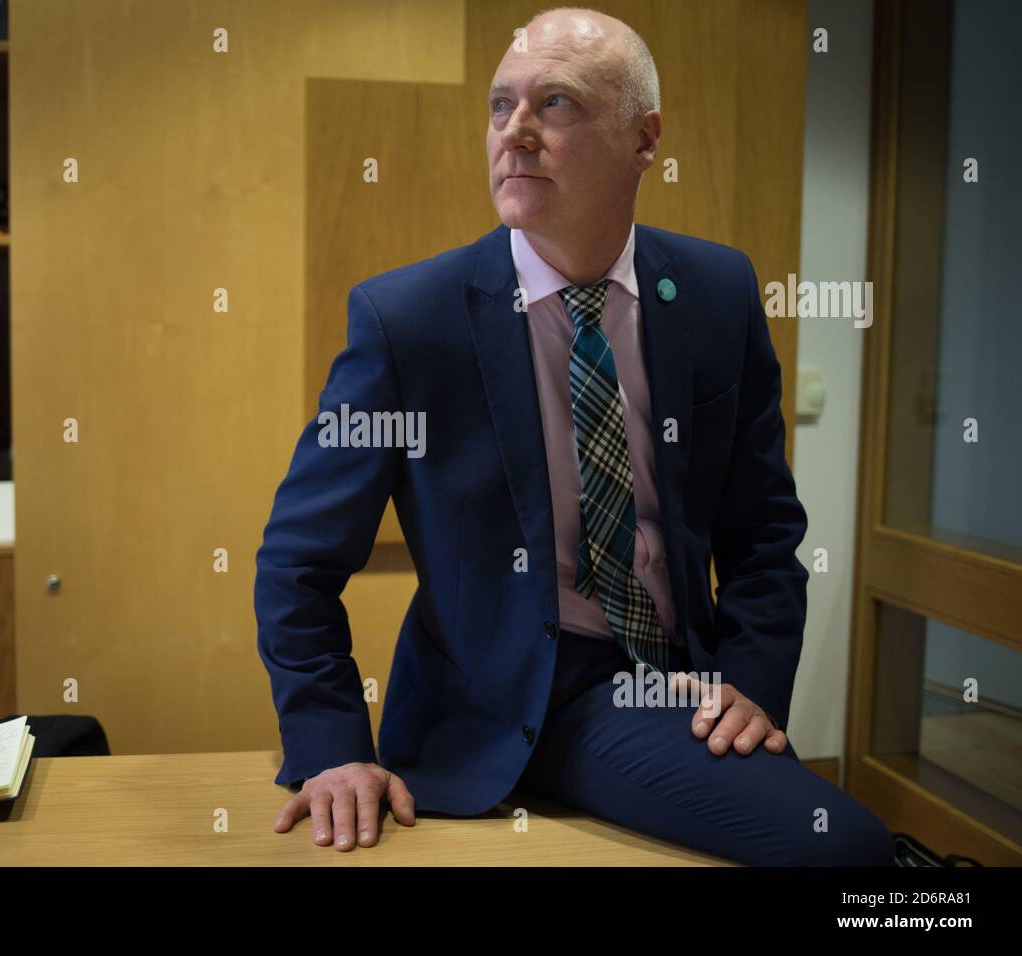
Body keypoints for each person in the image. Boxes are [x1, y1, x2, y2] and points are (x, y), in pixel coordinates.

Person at [255, 6, 893, 866]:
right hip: (513, 695)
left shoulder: (716, 291)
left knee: (843, 846)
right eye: (498, 105)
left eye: (554, 104)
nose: (513, 134)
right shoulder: (409, 320)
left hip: (681, 680)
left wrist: (752, 687)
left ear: (644, 138)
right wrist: (332, 747)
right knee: (848, 850)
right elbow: (298, 560)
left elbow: (764, 533)